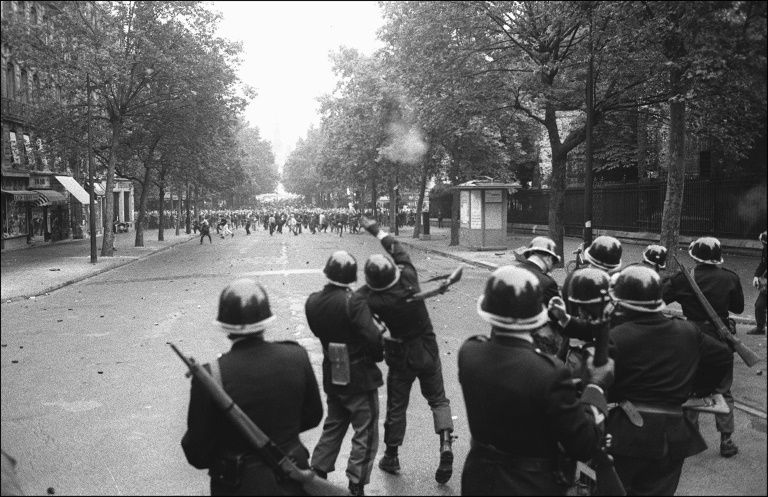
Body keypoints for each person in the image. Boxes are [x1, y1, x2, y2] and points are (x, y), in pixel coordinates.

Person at [459, 265, 614, 496]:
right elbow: (584, 445)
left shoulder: (469, 351)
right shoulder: (549, 373)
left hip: (478, 478)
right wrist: (596, 387)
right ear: (537, 316)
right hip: (530, 484)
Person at [181, 278, 323, 495]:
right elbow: (313, 416)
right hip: (291, 480)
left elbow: (197, 454)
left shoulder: (211, 376)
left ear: (225, 325)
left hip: (237, 485)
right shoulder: (297, 356)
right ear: (266, 320)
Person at [608, 265, 733, 494]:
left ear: (622, 302)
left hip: (628, 431)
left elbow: (601, 383)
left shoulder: (616, 336)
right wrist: (698, 390)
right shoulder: (687, 331)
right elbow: (723, 356)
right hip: (674, 429)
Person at [357, 216, 456, 484]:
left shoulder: (372, 298)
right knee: (438, 399)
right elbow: (395, 247)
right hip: (426, 345)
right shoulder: (409, 275)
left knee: (397, 407)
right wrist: (376, 230)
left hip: (400, 353)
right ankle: (446, 442)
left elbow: (358, 304)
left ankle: (392, 455)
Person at [305, 251, 385, 496]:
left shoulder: (313, 301)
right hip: (359, 374)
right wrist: (378, 347)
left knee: (335, 424)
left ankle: (317, 472)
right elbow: (373, 338)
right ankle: (356, 482)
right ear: (351, 277)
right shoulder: (353, 302)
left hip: (333, 370)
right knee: (366, 429)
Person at [662, 237, 744, 458]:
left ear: (694, 256)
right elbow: (738, 307)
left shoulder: (684, 279)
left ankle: (690, 438)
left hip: (691, 339)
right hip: (721, 338)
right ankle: (726, 440)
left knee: (689, 389)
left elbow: (660, 298)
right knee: (723, 390)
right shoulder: (731, 277)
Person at [517, 236, 561, 305]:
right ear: (549, 258)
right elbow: (555, 313)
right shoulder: (548, 283)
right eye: (553, 262)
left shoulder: (510, 271)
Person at [748, 231, 767, 335]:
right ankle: (760, 328)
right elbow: (763, 264)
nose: (763, 246)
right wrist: (756, 276)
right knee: (759, 305)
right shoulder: (765, 250)